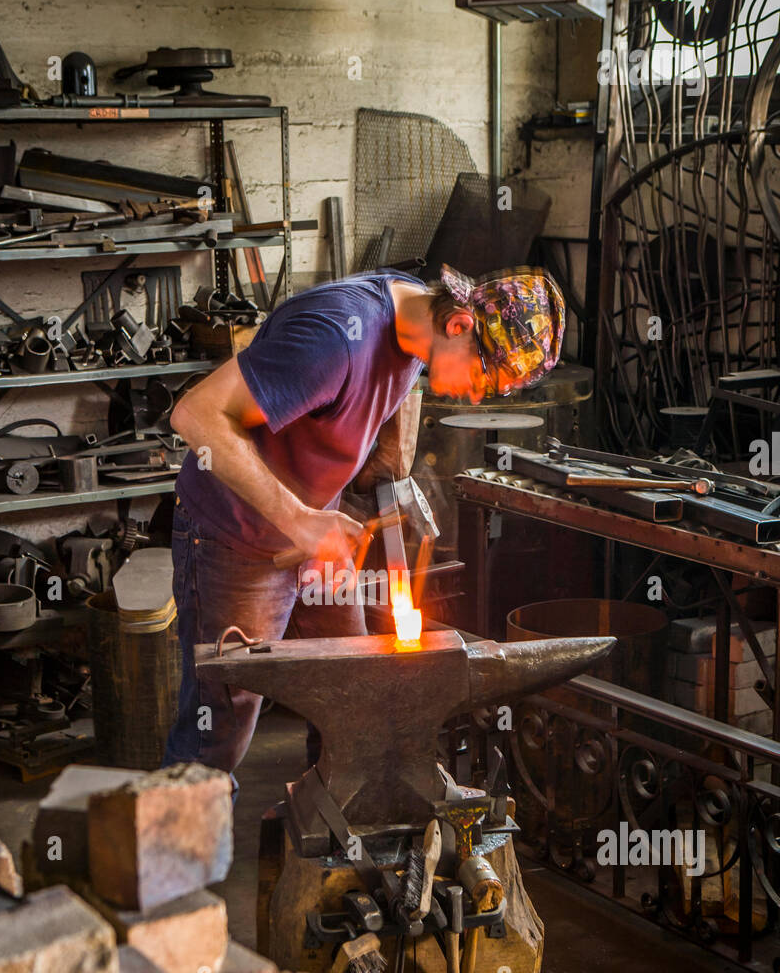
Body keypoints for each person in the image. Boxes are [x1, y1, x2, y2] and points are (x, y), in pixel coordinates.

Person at [162, 263, 565, 778]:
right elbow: (195, 415)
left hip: (314, 535)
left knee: (352, 691)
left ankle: (326, 838)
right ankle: (170, 855)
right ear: (460, 325)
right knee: (216, 738)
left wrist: (389, 463)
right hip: (234, 536)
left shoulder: (417, 309)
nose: (477, 396)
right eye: (485, 377)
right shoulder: (334, 338)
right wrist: (301, 519)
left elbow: (403, 379)